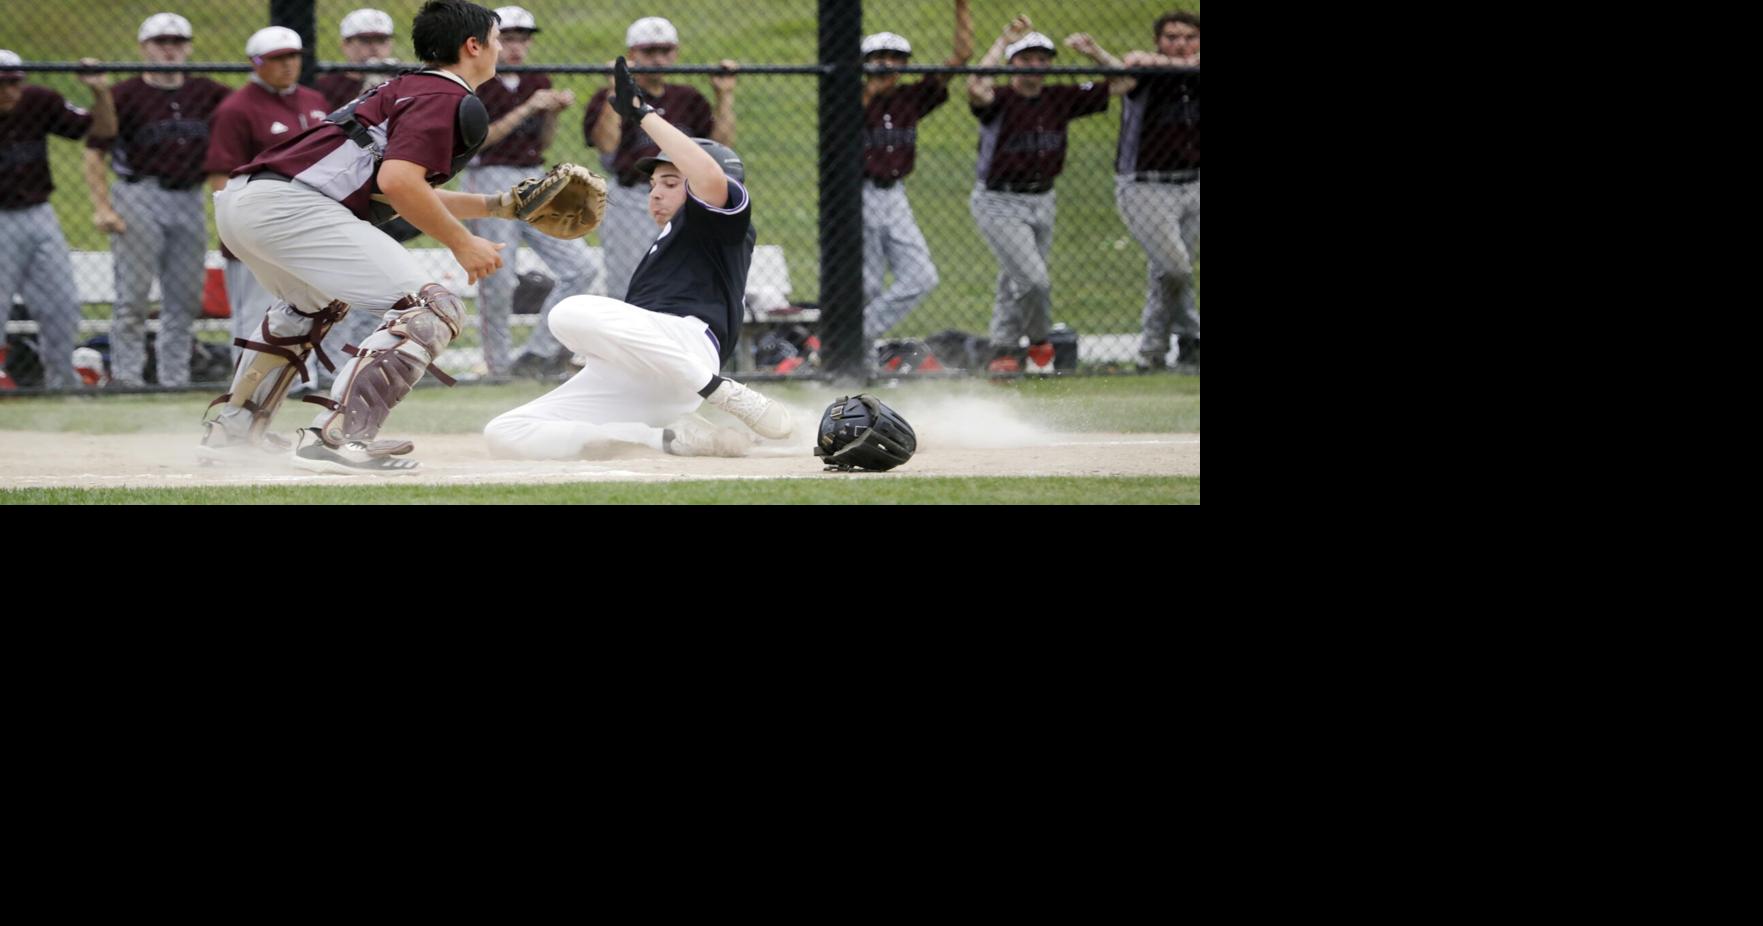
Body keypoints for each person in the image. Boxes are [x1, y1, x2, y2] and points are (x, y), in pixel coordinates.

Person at [199, 0, 534, 474]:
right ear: (472, 45)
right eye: (497, 39)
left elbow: (393, 187)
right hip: (294, 205)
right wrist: (462, 242)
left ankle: (234, 431)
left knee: (310, 306)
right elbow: (400, 184)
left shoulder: (409, 87)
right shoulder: (445, 96)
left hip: (251, 199)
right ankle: (337, 437)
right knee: (432, 308)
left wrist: (501, 206)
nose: (501, 49)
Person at [484, 57, 791, 460]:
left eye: (669, 182)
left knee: (569, 311)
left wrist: (642, 115)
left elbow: (711, 179)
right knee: (503, 432)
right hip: (646, 381)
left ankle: (726, 394)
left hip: (687, 350)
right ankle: (665, 438)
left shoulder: (718, 225)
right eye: (652, 184)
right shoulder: (666, 237)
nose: (655, 193)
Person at [966, 16, 1129, 375]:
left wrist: (1095, 52)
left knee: (1015, 278)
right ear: (1012, 64)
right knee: (1033, 280)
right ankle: (1040, 341)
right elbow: (976, 85)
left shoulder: (1060, 97)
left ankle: (1004, 349)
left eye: (1042, 59)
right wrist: (1003, 39)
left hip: (1043, 198)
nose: (1035, 66)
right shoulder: (1000, 99)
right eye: (1026, 59)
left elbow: (1127, 81)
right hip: (999, 200)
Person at [81, 13, 229, 388]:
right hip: (139, 195)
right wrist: (102, 205)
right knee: (133, 297)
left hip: (190, 197)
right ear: (143, 48)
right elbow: (95, 150)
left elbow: (247, 113)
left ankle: (174, 379)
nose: (169, 49)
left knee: (183, 301)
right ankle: (127, 378)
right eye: (160, 42)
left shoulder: (206, 92)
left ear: (189, 47)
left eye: (177, 42)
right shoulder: (125, 94)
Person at [461, 5, 590, 379]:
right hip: (487, 177)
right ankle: (497, 367)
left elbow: (544, 141)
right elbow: (477, 142)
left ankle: (537, 352)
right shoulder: (476, 80)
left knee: (580, 267)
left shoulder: (536, 78)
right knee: (497, 278)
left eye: (523, 39)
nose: (516, 47)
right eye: (508, 38)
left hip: (534, 177)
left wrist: (551, 113)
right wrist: (528, 107)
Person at [203, 26, 332, 372]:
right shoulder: (237, 108)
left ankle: (304, 381)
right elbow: (221, 176)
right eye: (277, 59)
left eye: (293, 57)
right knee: (255, 314)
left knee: (313, 307)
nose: (288, 65)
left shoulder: (313, 101)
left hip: (309, 223)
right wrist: (235, 232)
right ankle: (246, 390)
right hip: (256, 227)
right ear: (256, 62)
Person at [583, 17, 736, 302]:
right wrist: (616, 90)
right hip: (632, 198)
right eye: (649, 51)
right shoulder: (608, 97)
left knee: (689, 280)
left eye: (665, 51)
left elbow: (721, 148)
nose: (658, 58)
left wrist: (724, 95)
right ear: (632, 55)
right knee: (629, 284)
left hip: (687, 198)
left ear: (675, 53)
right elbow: (606, 146)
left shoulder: (688, 97)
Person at [0, 49, 115, 391]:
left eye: (14, 83)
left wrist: (99, 91)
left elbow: (102, 130)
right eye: (1, 84)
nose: (9, 92)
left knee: (62, 306)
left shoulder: (37, 101)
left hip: (38, 214)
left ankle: (61, 387)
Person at [859, 0, 972, 345]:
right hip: (857, 194)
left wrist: (961, 7)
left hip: (895, 194)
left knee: (922, 277)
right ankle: (851, 356)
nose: (889, 64)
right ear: (864, 64)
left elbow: (961, 58)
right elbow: (838, 127)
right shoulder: (847, 97)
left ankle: (854, 336)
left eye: (896, 58)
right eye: (881, 58)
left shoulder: (911, 98)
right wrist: (869, 92)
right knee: (868, 285)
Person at [1115, 11, 1199, 373]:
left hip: (1193, 182)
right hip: (1145, 183)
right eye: (1172, 37)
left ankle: (1152, 353)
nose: (1180, 44)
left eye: (1189, 37)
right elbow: (1131, 60)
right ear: (1158, 41)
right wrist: (1177, 64)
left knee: (1167, 272)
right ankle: (1192, 334)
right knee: (1175, 267)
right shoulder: (1145, 75)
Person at [316, 9, 400, 112]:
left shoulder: (400, 81)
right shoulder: (326, 86)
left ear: (390, 44)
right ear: (345, 45)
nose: (374, 47)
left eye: (381, 40)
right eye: (365, 40)